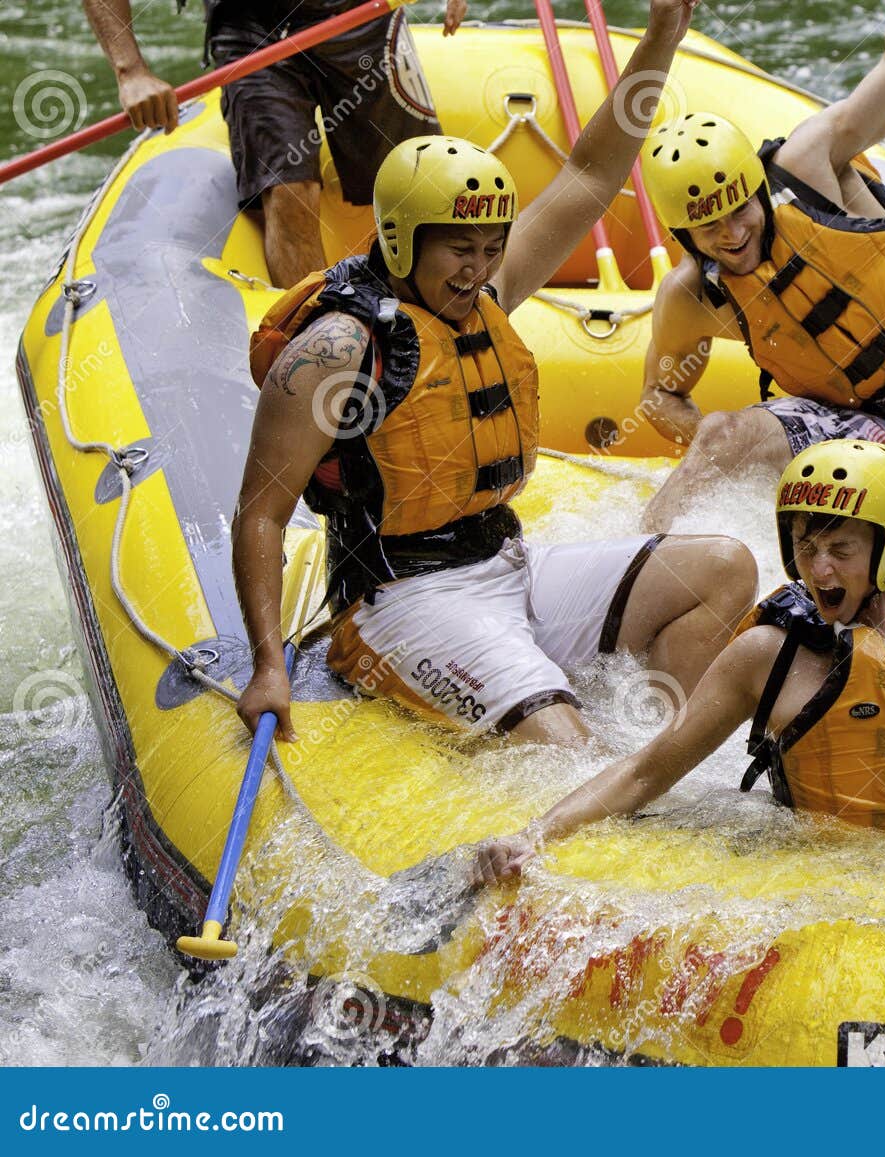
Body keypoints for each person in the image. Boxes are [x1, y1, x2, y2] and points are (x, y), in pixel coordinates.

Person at [232, 0, 754, 747]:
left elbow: (590, 173)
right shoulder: (337, 349)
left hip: (508, 566)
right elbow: (260, 513)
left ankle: (648, 753)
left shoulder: (482, 296)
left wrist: (665, 31)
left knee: (725, 570)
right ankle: (587, 758)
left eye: (490, 248)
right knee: (564, 747)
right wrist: (267, 668)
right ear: (401, 240)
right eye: (460, 251)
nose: (479, 270)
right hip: (400, 602)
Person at [473, 439, 885, 881]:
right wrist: (535, 836)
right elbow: (646, 772)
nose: (819, 570)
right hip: (835, 886)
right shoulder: (768, 655)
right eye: (806, 548)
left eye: (841, 549)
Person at [632, 0, 885, 533]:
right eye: (709, 228)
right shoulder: (691, 297)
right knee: (722, 437)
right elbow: (659, 395)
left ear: (758, 187)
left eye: (741, 210)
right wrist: (738, 467)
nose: (733, 234)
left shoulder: (810, 168)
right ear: (682, 235)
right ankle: (643, 567)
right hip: (849, 423)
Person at [83, 0, 470, 287]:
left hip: (365, 14)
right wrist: (130, 70)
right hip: (253, 26)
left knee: (417, 183)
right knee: (289, 191)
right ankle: (323, 344)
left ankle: (436, 332)